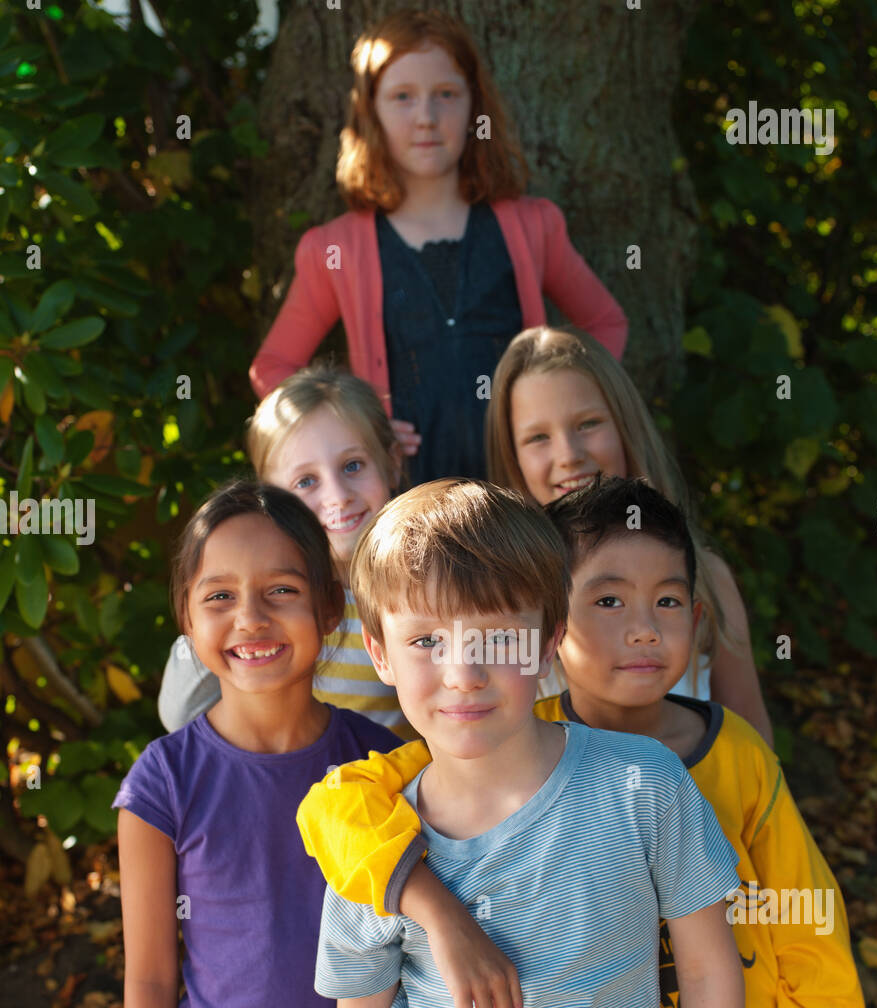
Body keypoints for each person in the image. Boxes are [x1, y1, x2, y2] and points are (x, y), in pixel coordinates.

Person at [302, 475, 865, 1008]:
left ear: (545, 639)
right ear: (380, 652)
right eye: (425, 642)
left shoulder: (644, 787)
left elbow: (713, 975)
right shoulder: (376, 842)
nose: (461, 672)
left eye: (493, 637)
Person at [114, 480, 402, 1008]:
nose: (251, 618)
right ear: (187, 619)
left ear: (332, 609)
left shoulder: (384, 767)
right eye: (220, 597)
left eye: (282, 591)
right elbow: (148, 980)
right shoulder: (164, 785)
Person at [250, 9, 627, 485]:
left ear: (475, 105)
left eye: (446, 95)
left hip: (523, 497)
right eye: (402, 97)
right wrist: (355, 428)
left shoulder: (532, 226)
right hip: (410, 503)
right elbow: (273, 367)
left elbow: (605, 322)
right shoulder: (336, 249)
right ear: (370, 112)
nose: (426, 117)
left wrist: (561, 416)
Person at [486, 325, 772, 741]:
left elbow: (754, 745)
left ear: (625, 427)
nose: (569, 455)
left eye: (587, 424)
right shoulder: (495, 597)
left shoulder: (707, 581)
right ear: (511, 457)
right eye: (538, 437)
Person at [157, 367, 411, 739]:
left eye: (353, 466)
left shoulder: (419, 588)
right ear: (271, 501)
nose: (338, 496)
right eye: (306, 481)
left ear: (393, 463)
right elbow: (181, 714)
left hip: (396, 791)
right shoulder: (261, 603)